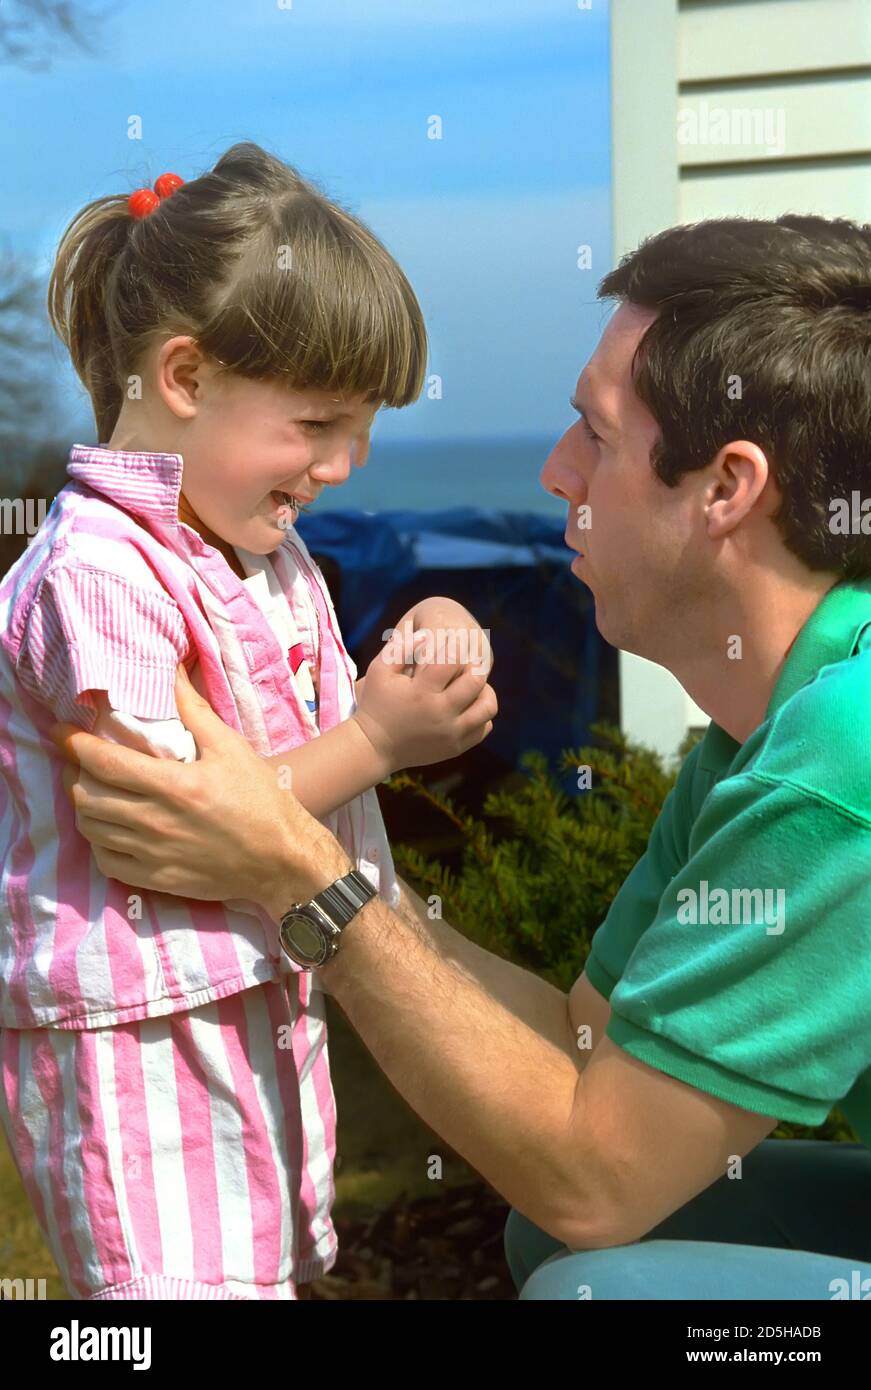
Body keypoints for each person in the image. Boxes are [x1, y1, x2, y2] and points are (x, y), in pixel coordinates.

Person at [53, 212, 871, 1301]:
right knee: (574, 1245)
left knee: (601, 1276)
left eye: (593, 432)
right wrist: (334, 857)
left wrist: (295, 877)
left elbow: (597, 1175)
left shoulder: (837, 759)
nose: (552, 471)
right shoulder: (762, 729)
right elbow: (586, 1044)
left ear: (726, 486)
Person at [0, 141, 496, 1301]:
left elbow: (298, 700)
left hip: (241, 1009)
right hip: (135, 1044)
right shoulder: (98, 575)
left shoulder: (245, 540)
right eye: (318, 424)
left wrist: (422, 624)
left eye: (364, 427)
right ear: (183, 375)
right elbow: (162, 827)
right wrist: (377, 741)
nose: (346, 462)